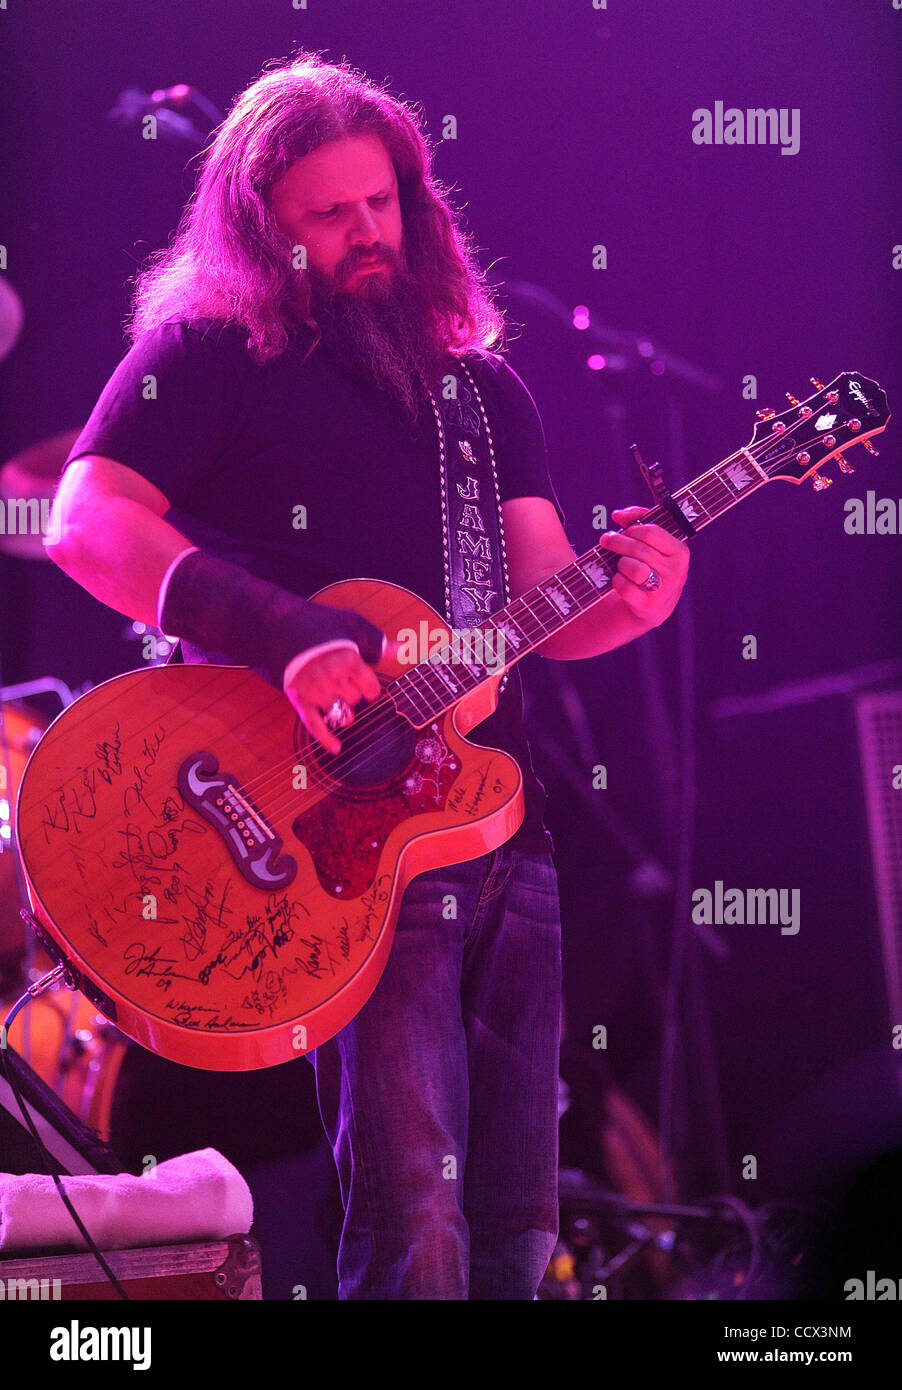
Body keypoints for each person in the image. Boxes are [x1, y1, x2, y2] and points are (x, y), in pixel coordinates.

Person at [47, 51, 689, 1299]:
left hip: (499, 823)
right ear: (258, 229)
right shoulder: (211, 357)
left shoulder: (486, 392)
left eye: (382, 203)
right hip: (336, 829)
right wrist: (289, 636)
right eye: (327, 215)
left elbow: (546, 603)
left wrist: (636, 598)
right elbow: (83, 519)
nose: (365, 234)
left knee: (513, 1228)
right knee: (420, 1227)